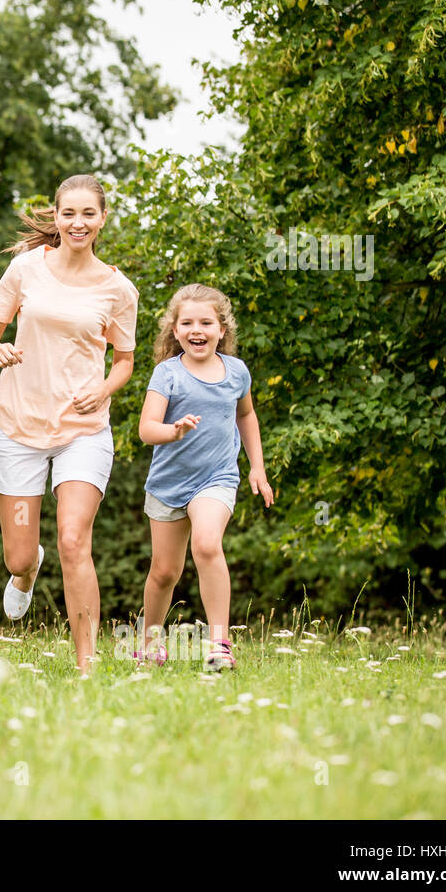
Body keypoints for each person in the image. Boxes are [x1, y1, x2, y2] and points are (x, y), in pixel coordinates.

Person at [0, 174, 137, 674]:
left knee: (73, 539)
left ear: (103, 219)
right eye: (69, 213)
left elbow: (125, 361)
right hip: (18, 426)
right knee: (19, 557)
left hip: (82, 432)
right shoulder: (26, 269)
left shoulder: (118, 289)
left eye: (88, 214)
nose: (78, 222)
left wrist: (105, 388)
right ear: (57, 217)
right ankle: (26, 574)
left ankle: (87, 665)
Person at [136, 283, 274, 671]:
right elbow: (147, 429)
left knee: (208, 545)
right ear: (175, 331)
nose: (197, 329)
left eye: (206, 322)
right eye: (188, 323)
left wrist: (257, 467)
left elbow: (246, 416)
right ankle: (150, 642)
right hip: (167, 484)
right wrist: (174, 430)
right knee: (165, 572)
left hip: (216, 478)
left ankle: (219, 645)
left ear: (221, 329)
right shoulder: (167, 374)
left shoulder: (236, 372)